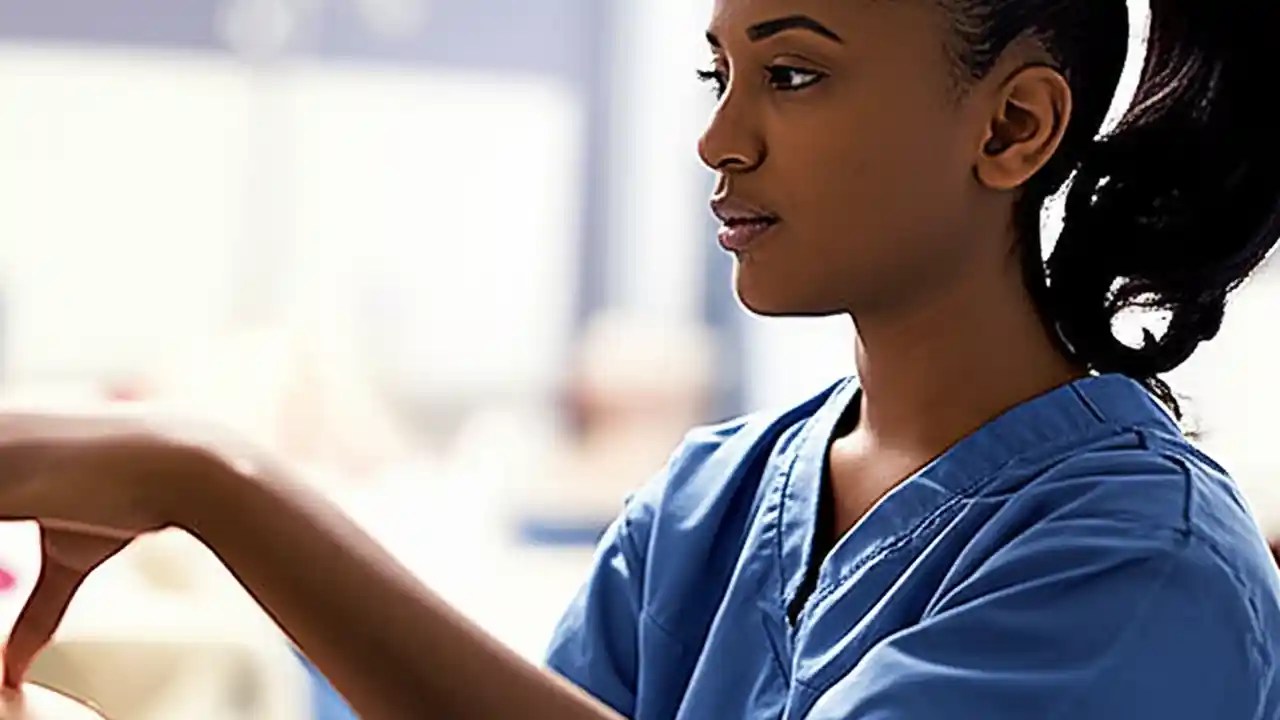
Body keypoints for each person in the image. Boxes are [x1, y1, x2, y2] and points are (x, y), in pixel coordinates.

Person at [1, 0, 1279, 718]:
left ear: (1009, 126)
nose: (718, 139)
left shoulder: (1137, 569)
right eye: (715, 72)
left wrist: (213, 482)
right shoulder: (707, 501)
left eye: (789, 73)